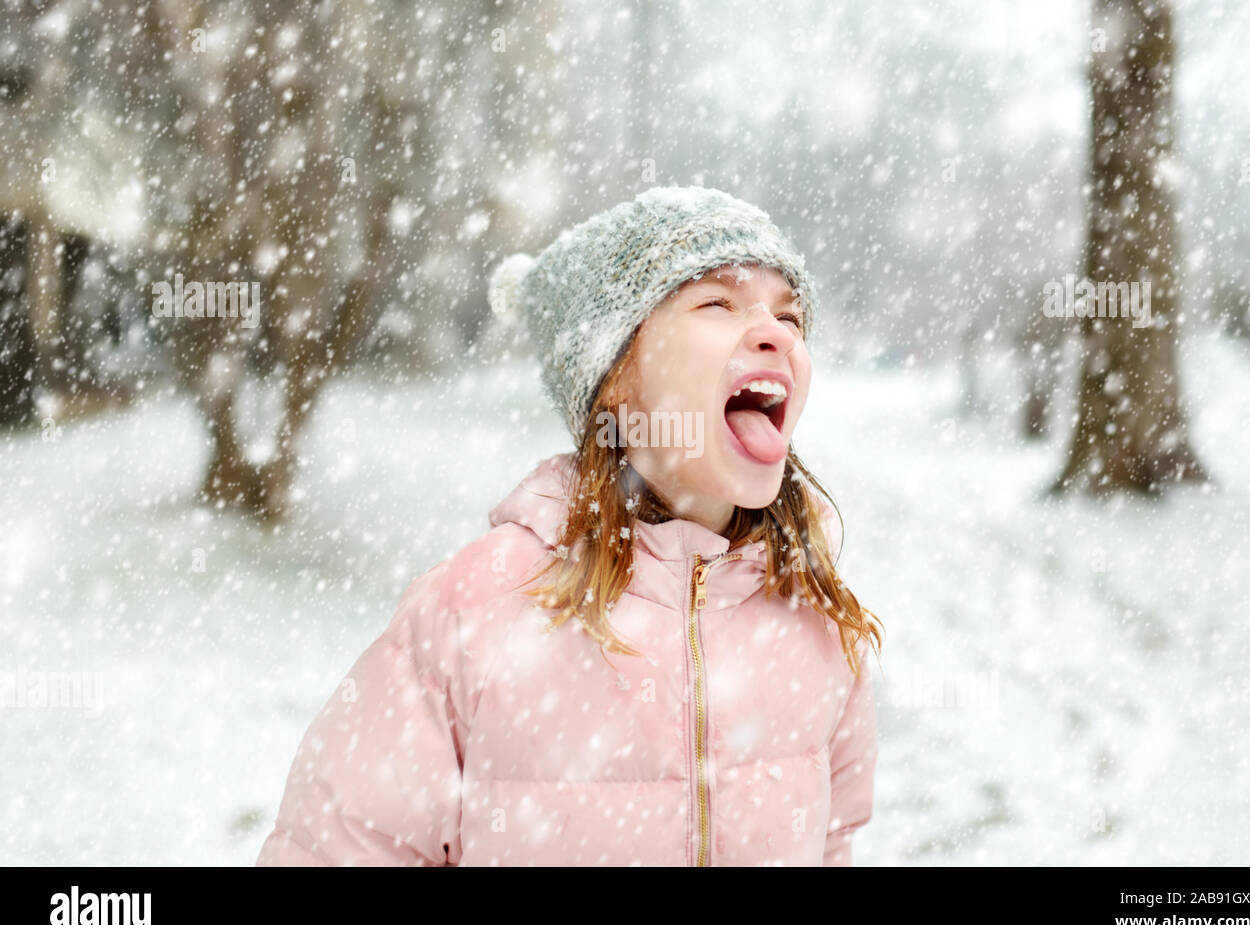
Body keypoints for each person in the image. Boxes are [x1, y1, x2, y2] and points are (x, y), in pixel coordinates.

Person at [255, 185, 884, 866]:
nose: (774, 332)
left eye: (791, 317)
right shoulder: (474, 616)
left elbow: (833, 846)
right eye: (717, 303)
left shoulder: (816, 623)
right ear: (616, 379)